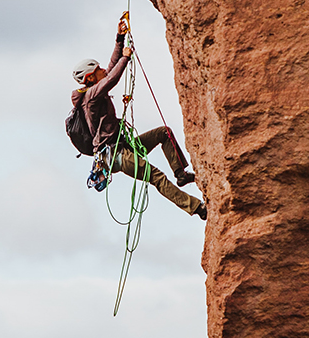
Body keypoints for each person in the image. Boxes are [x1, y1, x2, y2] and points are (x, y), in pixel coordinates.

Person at [71, 17, 207, 220]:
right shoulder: (91, 96)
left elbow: (110, 69)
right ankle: (197, 208)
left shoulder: (94, 89)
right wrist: (125, 58)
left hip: (122, 146)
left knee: (164, 133)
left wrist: (120, 39)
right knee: (157, 177)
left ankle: (181, 174)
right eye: (98, 70)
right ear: (90, 78)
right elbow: (112, 78)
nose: (103, 70)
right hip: (115, 154)